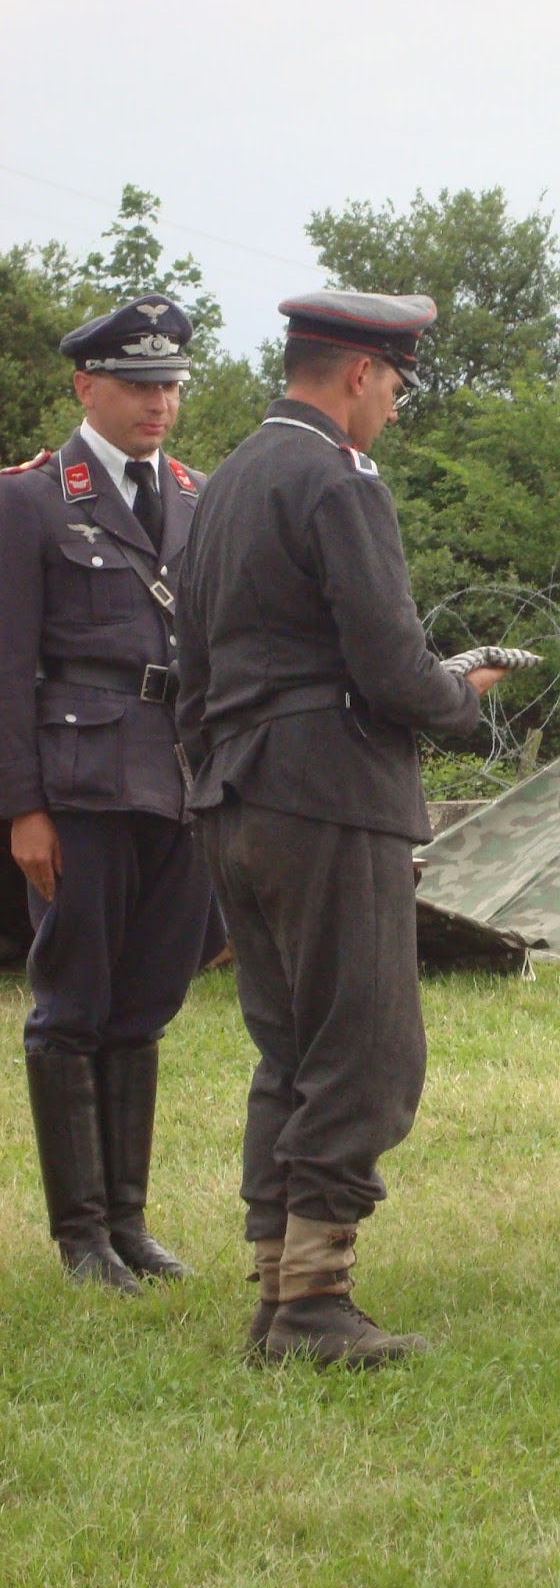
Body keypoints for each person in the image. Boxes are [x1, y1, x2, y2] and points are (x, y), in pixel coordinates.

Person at [175, 291, 507, 1368]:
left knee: (289, 1051)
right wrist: (470, 698)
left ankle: (278, 1296)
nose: (395, 412)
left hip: (235, 795)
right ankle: (315, 1305)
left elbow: (191, 673)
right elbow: (390, 666)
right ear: (359, 372)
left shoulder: (221, 482)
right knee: (364, 1053)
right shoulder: (337, 479)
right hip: (329, 799)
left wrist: (216, 775)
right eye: (398, 388)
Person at [0, 295, 213, 1294]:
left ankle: (130, 1223)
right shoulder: (34, 500)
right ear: (86, 385)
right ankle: (81, 1235)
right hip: (79, 784)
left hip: (176, 782)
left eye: (170, 384)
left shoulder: (199, 498)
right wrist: (22, 807)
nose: (158, 402)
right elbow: (7, 668)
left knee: (144, 1006)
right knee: (72, 1004)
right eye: (137, 383)